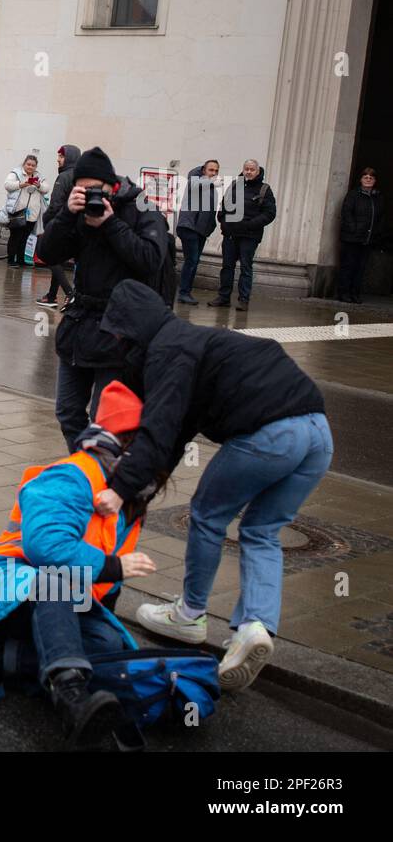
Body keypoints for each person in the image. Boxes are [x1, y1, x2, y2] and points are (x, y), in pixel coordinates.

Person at [97, 279, 332, 692]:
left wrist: (118, 491)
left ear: (131, 330)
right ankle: (254, 629)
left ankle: (189, 616)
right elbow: (175, 436)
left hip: (272, 433)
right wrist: (143, 488)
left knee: (207, 514)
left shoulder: (167, 351)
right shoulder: (193, 341)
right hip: (318, 434)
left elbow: (159, 428)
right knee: (261, 531)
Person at [0, 381, 160, 747]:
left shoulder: (126, 494)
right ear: (126, 444)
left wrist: (101, 605)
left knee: (107, 644)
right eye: (150, 448)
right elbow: (45, 549)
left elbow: (103, 588)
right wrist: (114, 568)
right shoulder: (73, 475)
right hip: (5, 586)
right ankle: (70, 697)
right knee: (55, 583)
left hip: (55, 606)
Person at [36, 146, 169, 451]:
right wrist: (68, 214)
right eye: (82, 189)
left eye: (95, 189)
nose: (91, 195)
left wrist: (110, 225)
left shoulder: (142, 206)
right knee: (68, 412)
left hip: (123, 331)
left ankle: (103, 480)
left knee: (104, 420)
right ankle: (88, 470)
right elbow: (48, 253)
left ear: (112, 185)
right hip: (80, 326)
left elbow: (151, 259)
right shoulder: (78, 212)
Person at [210, 159, 275, 311]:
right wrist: (223, 221)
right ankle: (223, 297)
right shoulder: (234, 185)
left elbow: (270, 213)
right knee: (227, 266)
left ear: (258, 171)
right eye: (246, 169)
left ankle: (243, 300)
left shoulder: (264, 190)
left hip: (250, 236)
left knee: (246, 267)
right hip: (231, 234)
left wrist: (251, 225)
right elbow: (224, 205)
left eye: (252, 169)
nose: (249, 172)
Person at [36, 145, 80, 308]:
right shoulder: (78, 176)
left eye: (61, 156)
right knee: (58, 258)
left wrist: (47, 222)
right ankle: (52, 296)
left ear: (69, 158)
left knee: (48, 255)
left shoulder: (64, 177)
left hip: (60, 225)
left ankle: (69, 293)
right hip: (74, 225)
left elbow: (55, 204)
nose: (58, 159)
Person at [174, 160, 221, 305]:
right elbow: (195, 184)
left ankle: (185, 292)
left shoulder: (211, 189)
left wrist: (210, 227)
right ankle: (183, 293)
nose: (213, 173)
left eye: (216, 171)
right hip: (189, 227)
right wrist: (212, 182)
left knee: (193, 261)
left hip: (200, 230)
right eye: (210, 170)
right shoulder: (196, 180)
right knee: (192, 261)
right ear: (203, 170)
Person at [337, 168, 384, 304]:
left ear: (375, 181)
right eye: (365, 176)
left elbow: (381, 217)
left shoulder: (378, 198)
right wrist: (354, 229)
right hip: (352, 238)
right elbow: (347, 213)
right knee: (348, 266)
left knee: (360, 268)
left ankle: (355, 293)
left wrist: (376, 232)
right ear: (361, 179)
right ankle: (343, 293)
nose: (368, 179)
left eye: (371, 177)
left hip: (368, 239)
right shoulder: (353, 195)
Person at [2, 154, 48, 267]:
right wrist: (22, 184)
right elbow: (7, 185)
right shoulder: (16, 174)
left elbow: (46, 189)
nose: (30, 167)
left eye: (33, 165)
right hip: (18, 212)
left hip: (32, 213)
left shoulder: (39, 176)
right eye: (28, 164)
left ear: (36, 166)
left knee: (25, 238)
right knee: (15, 237)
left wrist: (39, 185)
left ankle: (21, 260)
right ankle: (11, 260)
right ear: (24, 164)